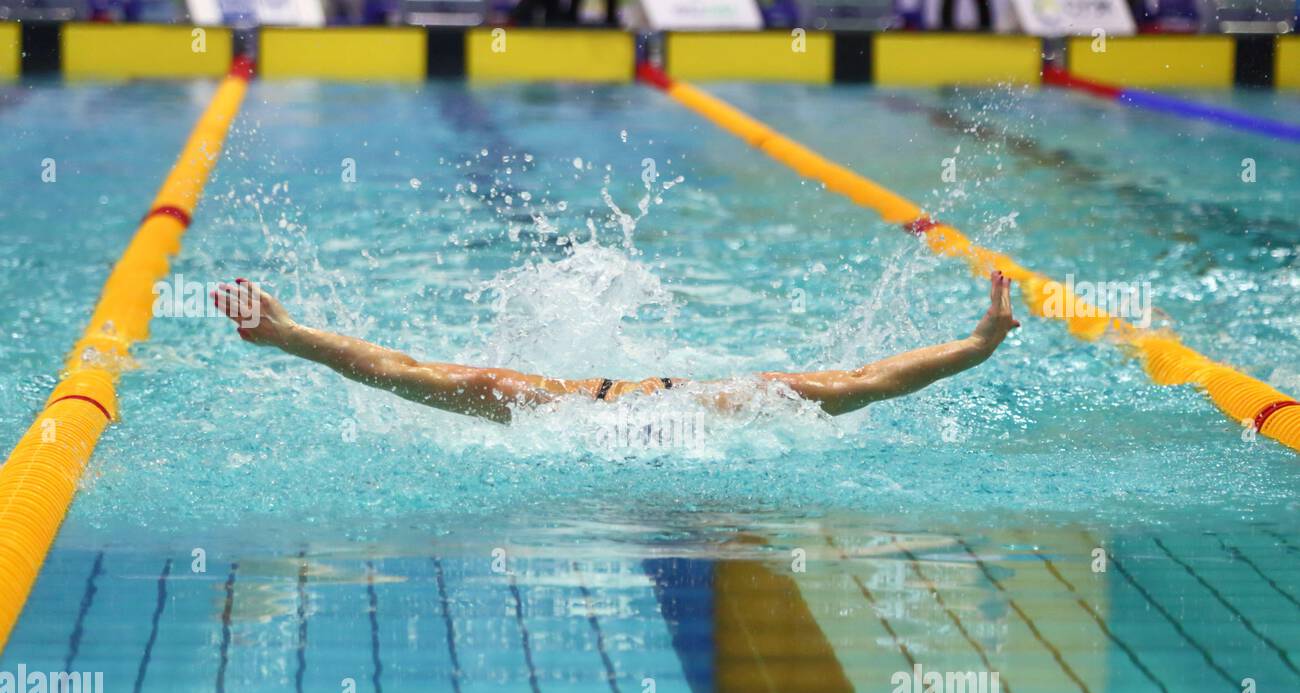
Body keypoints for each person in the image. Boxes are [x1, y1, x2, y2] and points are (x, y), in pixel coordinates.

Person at [212, 271, 1019, 424]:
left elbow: (866, 379)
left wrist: (977, 346)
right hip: (587, 403)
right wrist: (290, 336)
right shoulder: (536, 400)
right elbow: (406, 373)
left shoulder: (733, 400)